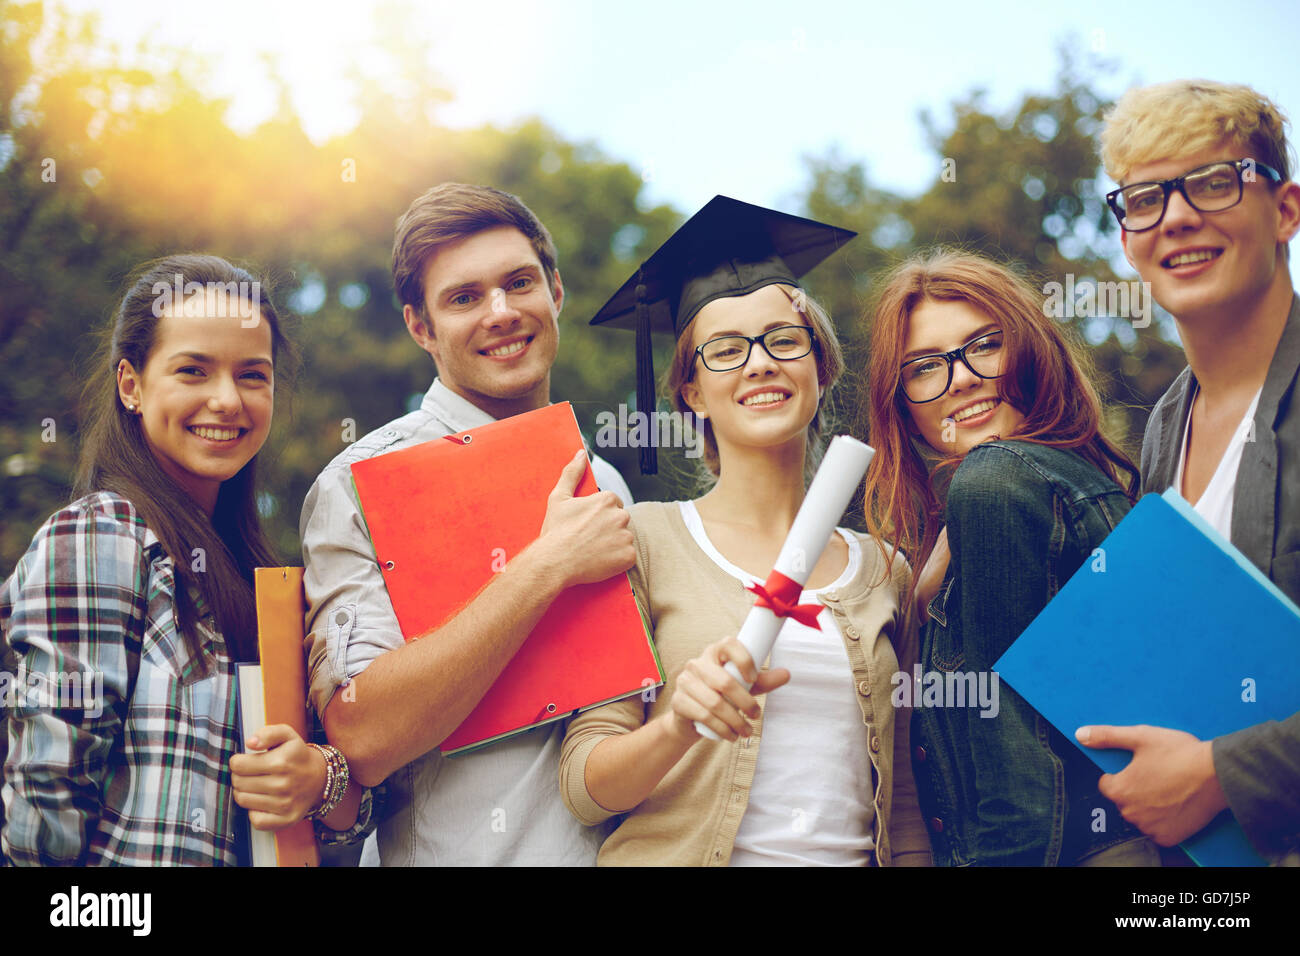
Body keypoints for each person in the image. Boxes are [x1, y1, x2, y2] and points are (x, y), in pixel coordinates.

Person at [560, 196, 931, 866]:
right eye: (725, 350)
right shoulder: (641, 542)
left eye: (783, 340)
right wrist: (677, 723)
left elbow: (902, 808)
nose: (760, 363)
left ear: (820, 367)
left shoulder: (886, 571)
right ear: (692, 392)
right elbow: (586, 785)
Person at [301, 183, 635, 866]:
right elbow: (362, 736)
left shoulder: (606, 485)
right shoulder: (362, 482)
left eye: (520, 283)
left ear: (557, 291)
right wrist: (547, 565)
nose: (502, 312)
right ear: (420, 328)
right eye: (464, 298)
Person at [1, 254, 366, 865]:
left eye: (253, 375)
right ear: (131, 385)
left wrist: (319, 775)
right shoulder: (100, 537)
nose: (226, 400)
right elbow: (43, 815)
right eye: (193, 370)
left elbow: (351, 812)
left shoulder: (262, 578)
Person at [860, 248, 1157, 866]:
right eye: (924, 367)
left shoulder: (995, 483)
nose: (961, 378)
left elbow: (1019, 785)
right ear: (904, 405)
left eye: (984, 345)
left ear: (1030, 350)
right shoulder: (1055, 487)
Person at [1076, 80, 1300, 862]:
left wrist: (1223, 773)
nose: (1176, 216)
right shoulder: (1165, 428)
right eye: (1144, 198)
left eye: (1213, 181)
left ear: (1285, 211)